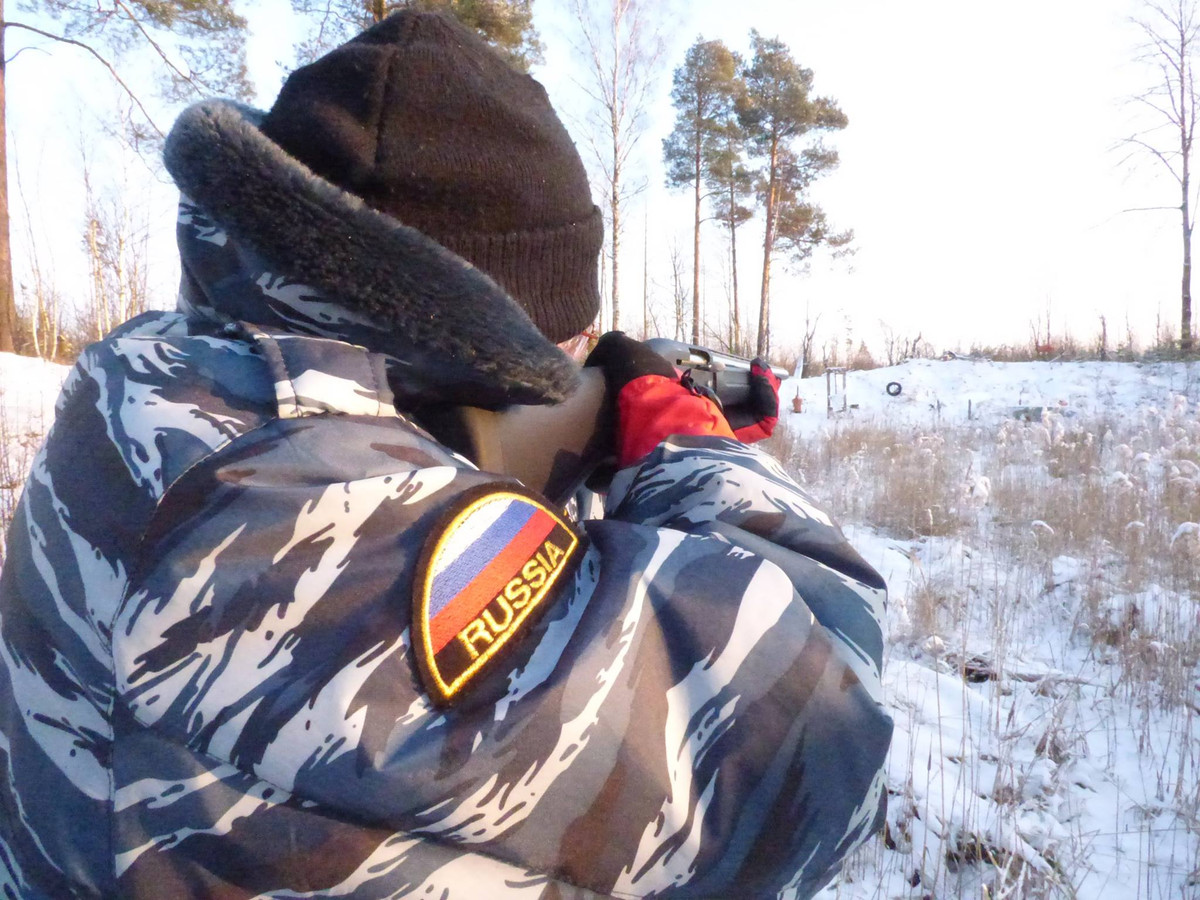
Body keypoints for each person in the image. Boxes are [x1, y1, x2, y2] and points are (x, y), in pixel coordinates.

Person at [0, 12, 891, 899]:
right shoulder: (291, 504)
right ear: (497, 348)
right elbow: (823, 728)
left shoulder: (160, 386)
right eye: (569, 349)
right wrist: (689, 445)